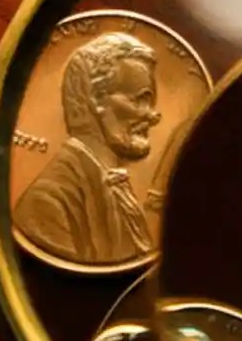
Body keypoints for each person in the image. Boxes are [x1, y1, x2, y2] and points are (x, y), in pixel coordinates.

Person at [14, 32, 162, 264]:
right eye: (140, 99)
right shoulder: (48, 202)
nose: (153, 116)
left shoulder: (119, 191)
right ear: (94, 100)